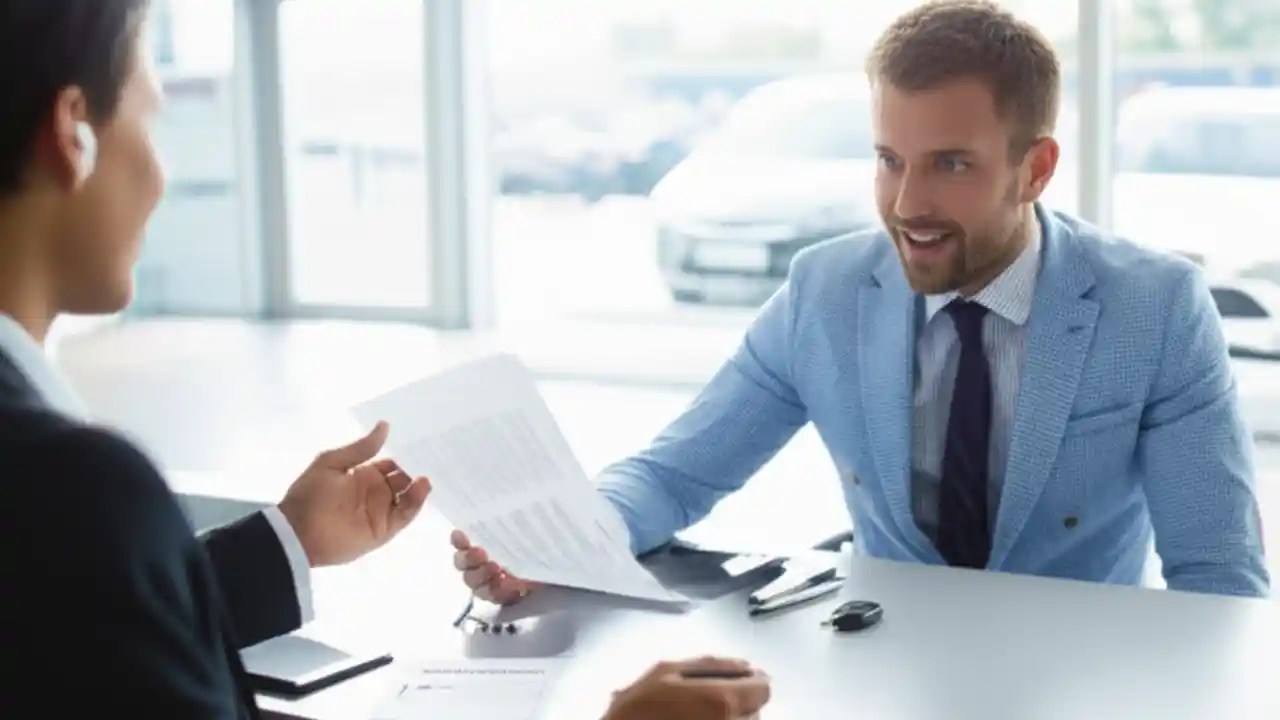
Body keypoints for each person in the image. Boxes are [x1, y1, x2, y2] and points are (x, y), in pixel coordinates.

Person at [0, 2, 771, 718]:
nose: (161, 178)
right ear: (76, 135)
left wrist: (290, 541)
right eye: (152, 126)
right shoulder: (72, 484)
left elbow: (71, 626)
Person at [455, 0, 1270, 605]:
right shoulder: (825, 290)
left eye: (951, 164)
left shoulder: (1155, 309)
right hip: (882, 665)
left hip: (1080, 682)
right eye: (889, 159)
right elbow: (674, 474)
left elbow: (1218, 577)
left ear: (1037, 169)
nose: (907, 203)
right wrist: (561, 542)